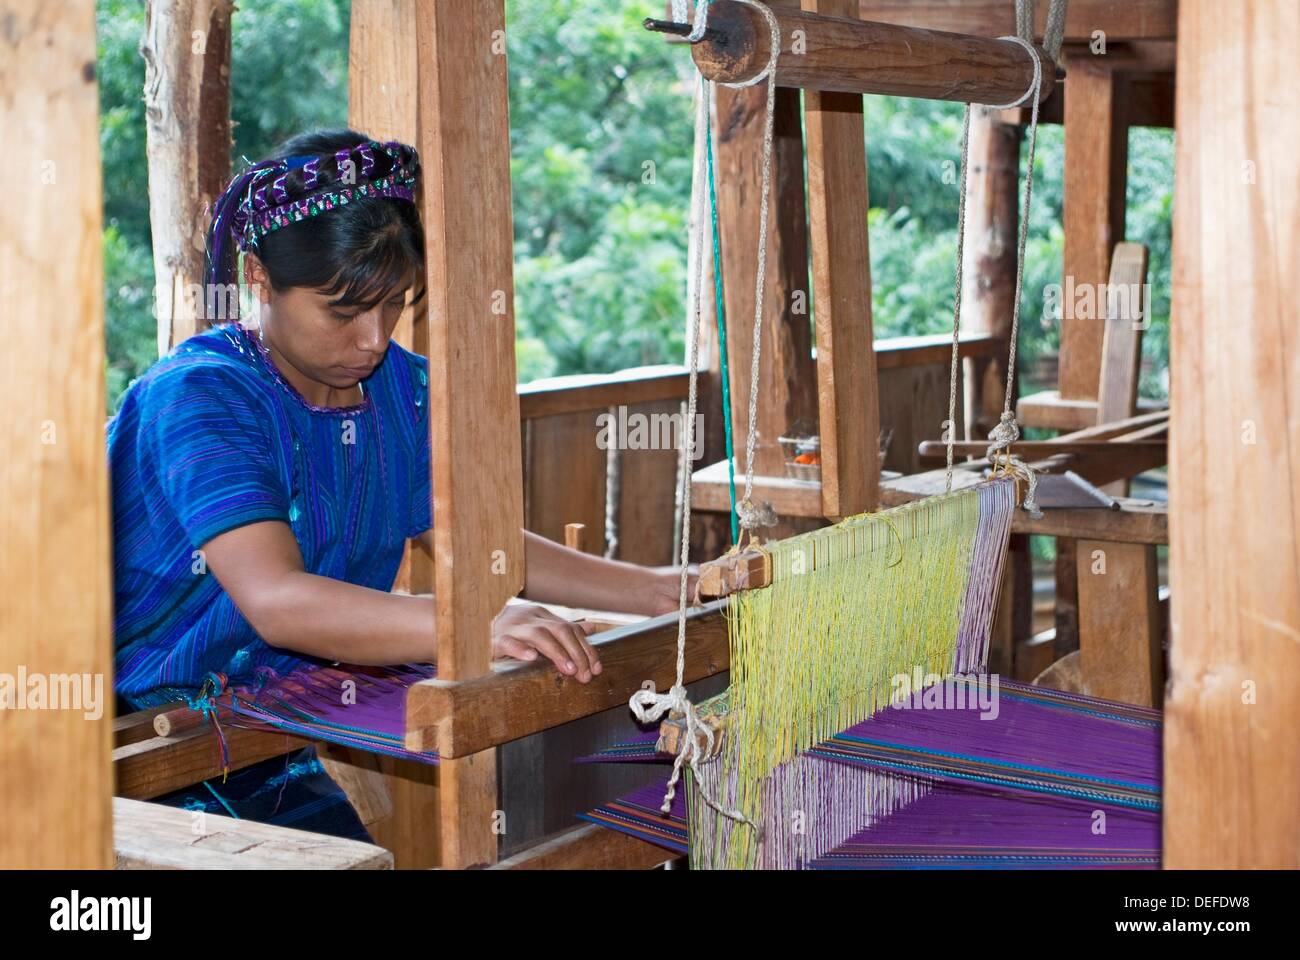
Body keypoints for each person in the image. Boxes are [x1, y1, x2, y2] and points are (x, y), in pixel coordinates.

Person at [108, 129, 696, 839]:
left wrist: (657, 590)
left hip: (259, 715)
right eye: (343, 310)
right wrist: (467, 627)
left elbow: (471, 542)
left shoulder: (399, 388)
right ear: (258, 278)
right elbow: (278, 600)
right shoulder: (201, 395)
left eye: (394, 305)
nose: (373, 338)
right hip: (128, 723)